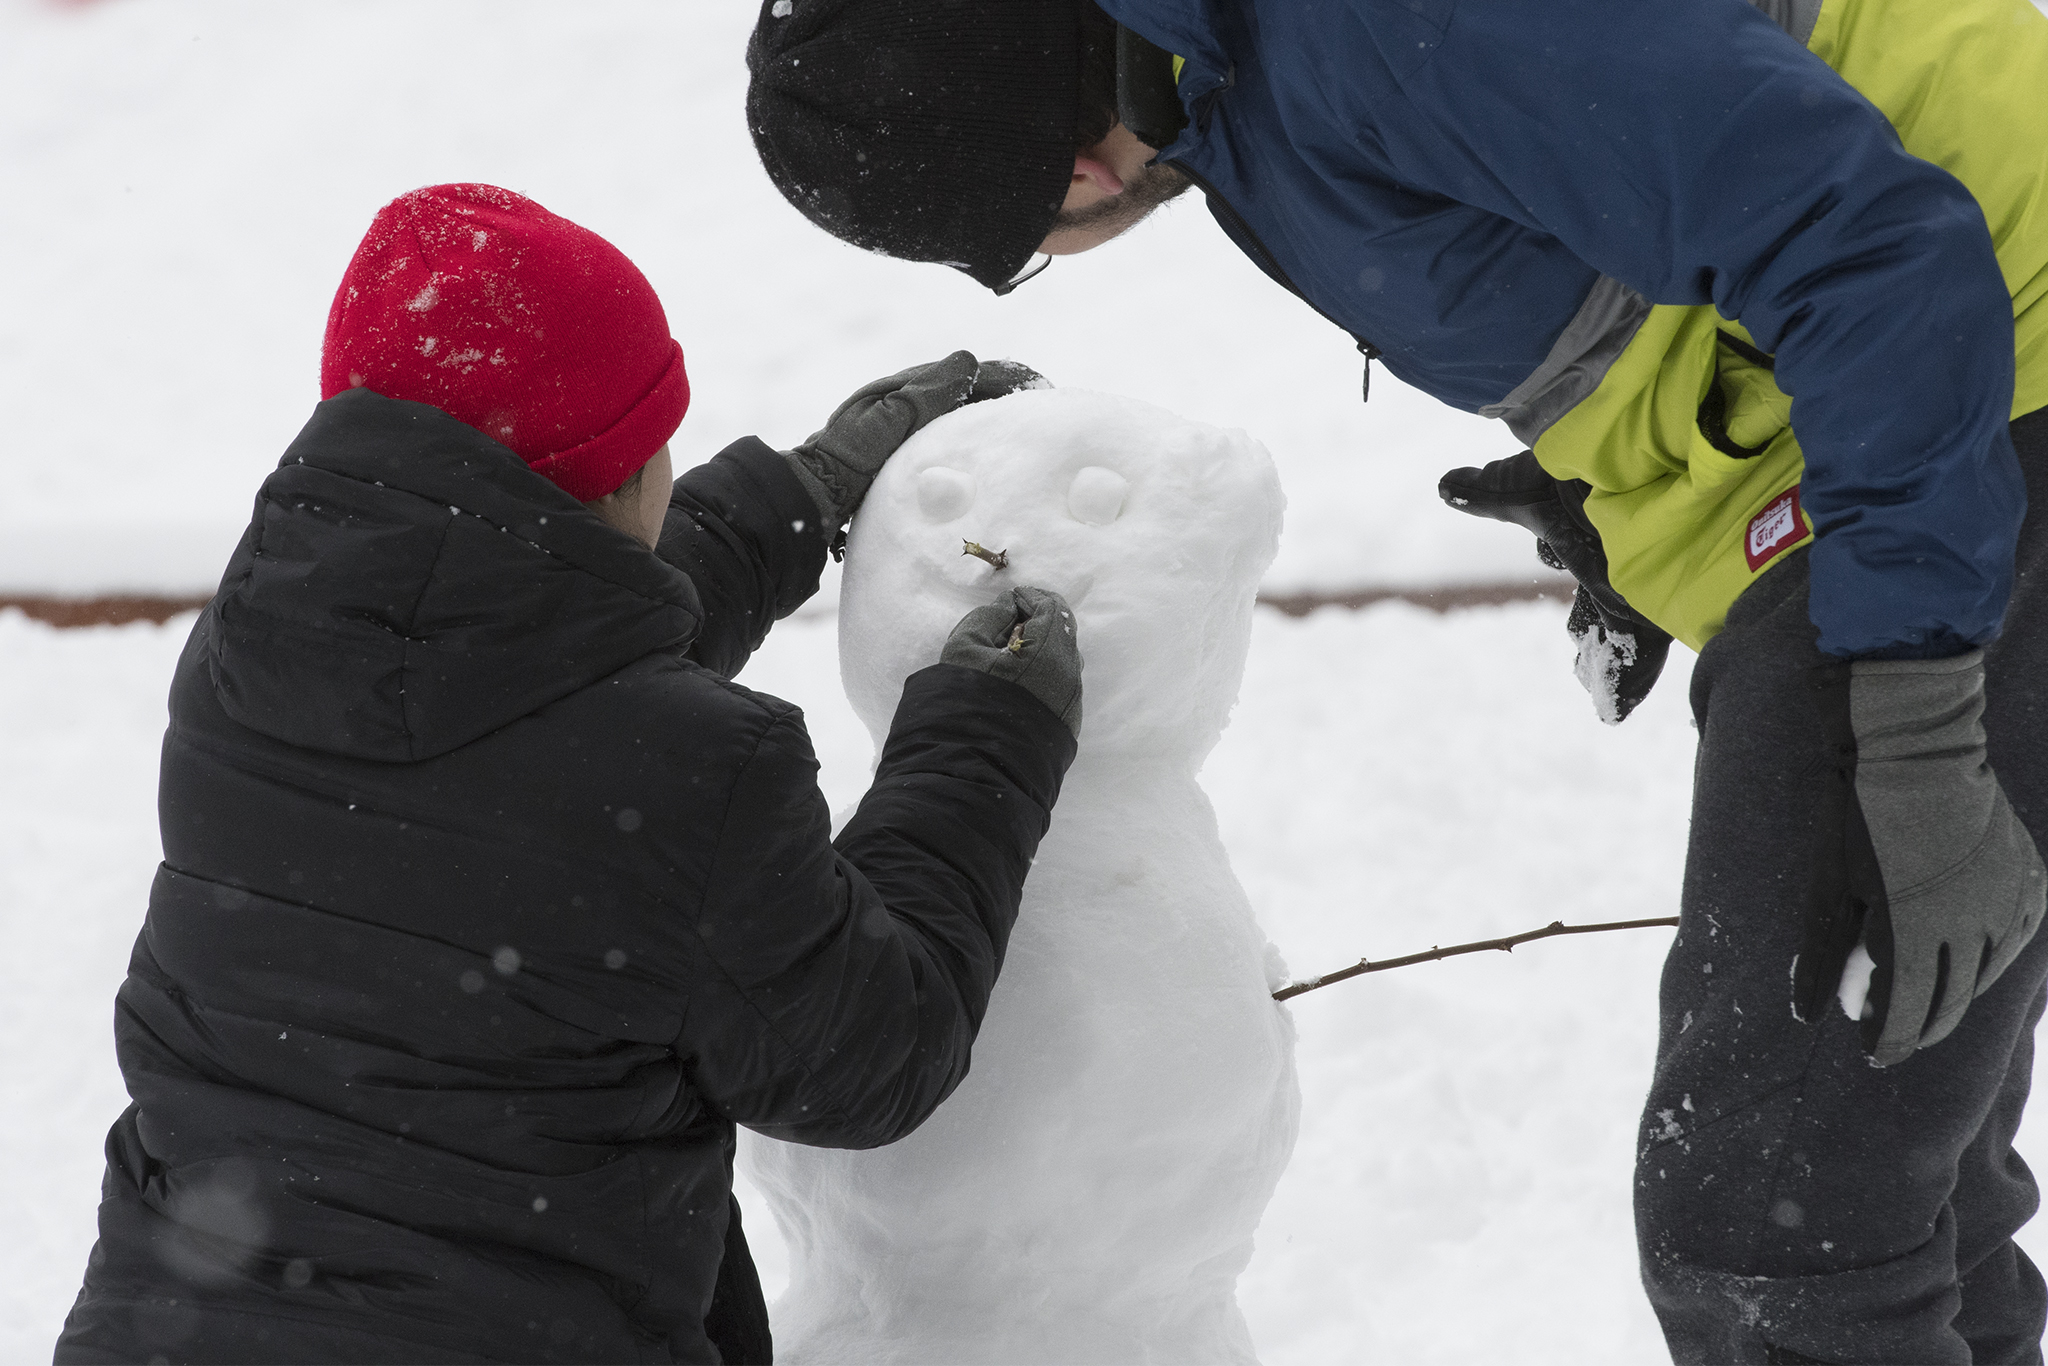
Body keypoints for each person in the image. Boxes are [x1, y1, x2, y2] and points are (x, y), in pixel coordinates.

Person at [742, 0, 2048, 1359]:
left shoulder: (1367, 24)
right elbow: (1633, 195)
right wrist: (1613, 486)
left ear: (1068, 175)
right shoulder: (1223, 70)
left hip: (1983, 401)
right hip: (1909, 423)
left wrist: (1912, 720)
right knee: (1890, 1180)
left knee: (1782, 1217)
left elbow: (1881, 253)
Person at [54, 182, 1083, 1365]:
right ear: (623, 471)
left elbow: (517, 671)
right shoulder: (700, 772)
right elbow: (865, 1055)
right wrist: (982, 734)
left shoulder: (259, 652)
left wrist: (792, 499)